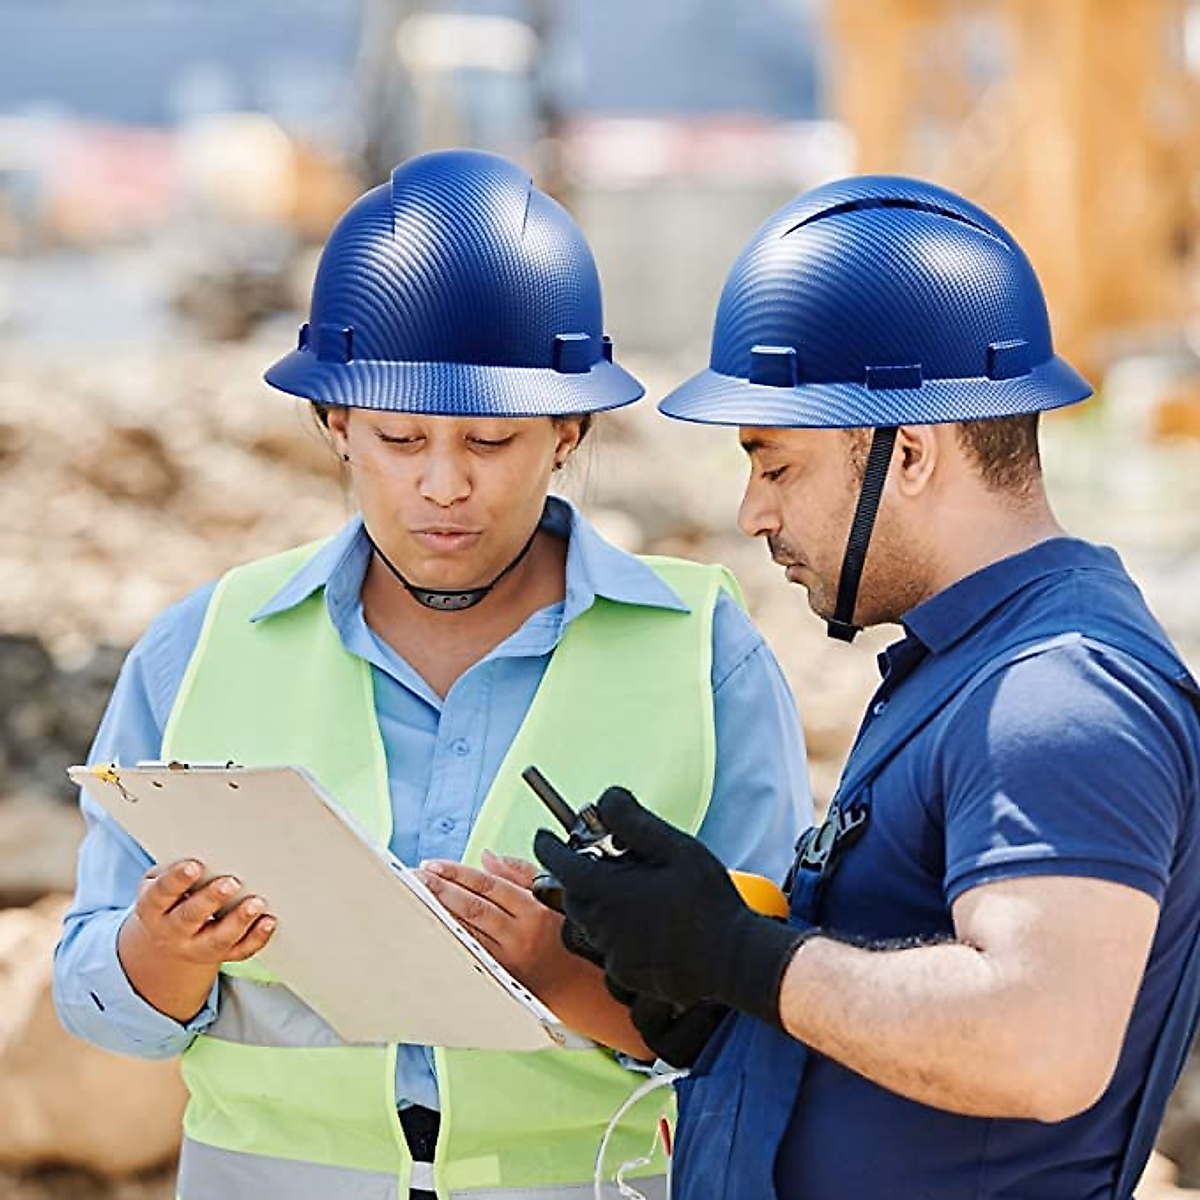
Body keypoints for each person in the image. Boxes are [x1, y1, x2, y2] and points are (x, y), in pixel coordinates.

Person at [53, 149, 811, 1200]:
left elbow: (774, 1012)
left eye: (490, 442)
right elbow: (91, 991)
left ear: (567, 432)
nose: (442, 485)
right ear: (335, 427)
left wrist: (570, 974)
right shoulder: (201, 647)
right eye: (400, 439)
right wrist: (163, 953)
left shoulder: (701, 656)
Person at [535, 175, 1200, 1199]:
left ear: (913, 452)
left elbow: (1041, 1041)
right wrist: (715, 994)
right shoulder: (964, 666)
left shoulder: (1057, 693)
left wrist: (741, 955)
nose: (753, 513)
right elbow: (902, 1014)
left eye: (778, 464)